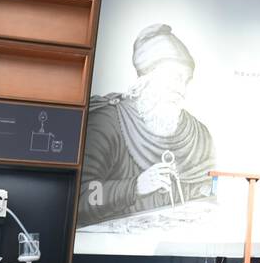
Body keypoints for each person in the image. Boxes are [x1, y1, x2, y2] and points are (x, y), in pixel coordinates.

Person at [78, 24, 216, 227]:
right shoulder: (107, 123)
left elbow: (208, 195)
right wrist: (135, 186)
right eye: (175, 77)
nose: (182, 90)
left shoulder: (198, 135)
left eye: (186, 81)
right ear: (148, 77)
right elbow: (81, 197)